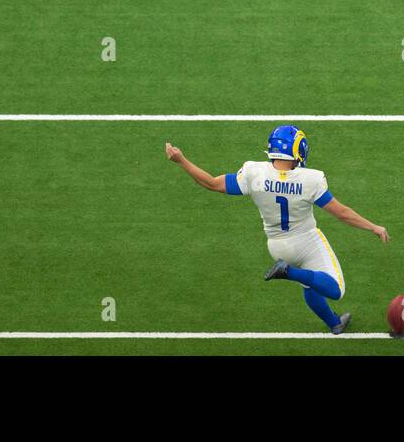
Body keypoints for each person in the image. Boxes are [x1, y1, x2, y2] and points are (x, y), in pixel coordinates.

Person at [165, 125, 388, 333]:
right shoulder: (311, 179)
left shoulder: (254, 173)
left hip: (276, 246)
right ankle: (289, 273)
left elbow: (212, 183)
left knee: (309, 284)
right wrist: (373, 227)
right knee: (335, 288)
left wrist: (181, 160)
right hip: (306, 240)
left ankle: (334, 323)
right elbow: (342, 213)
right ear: (297, 151)